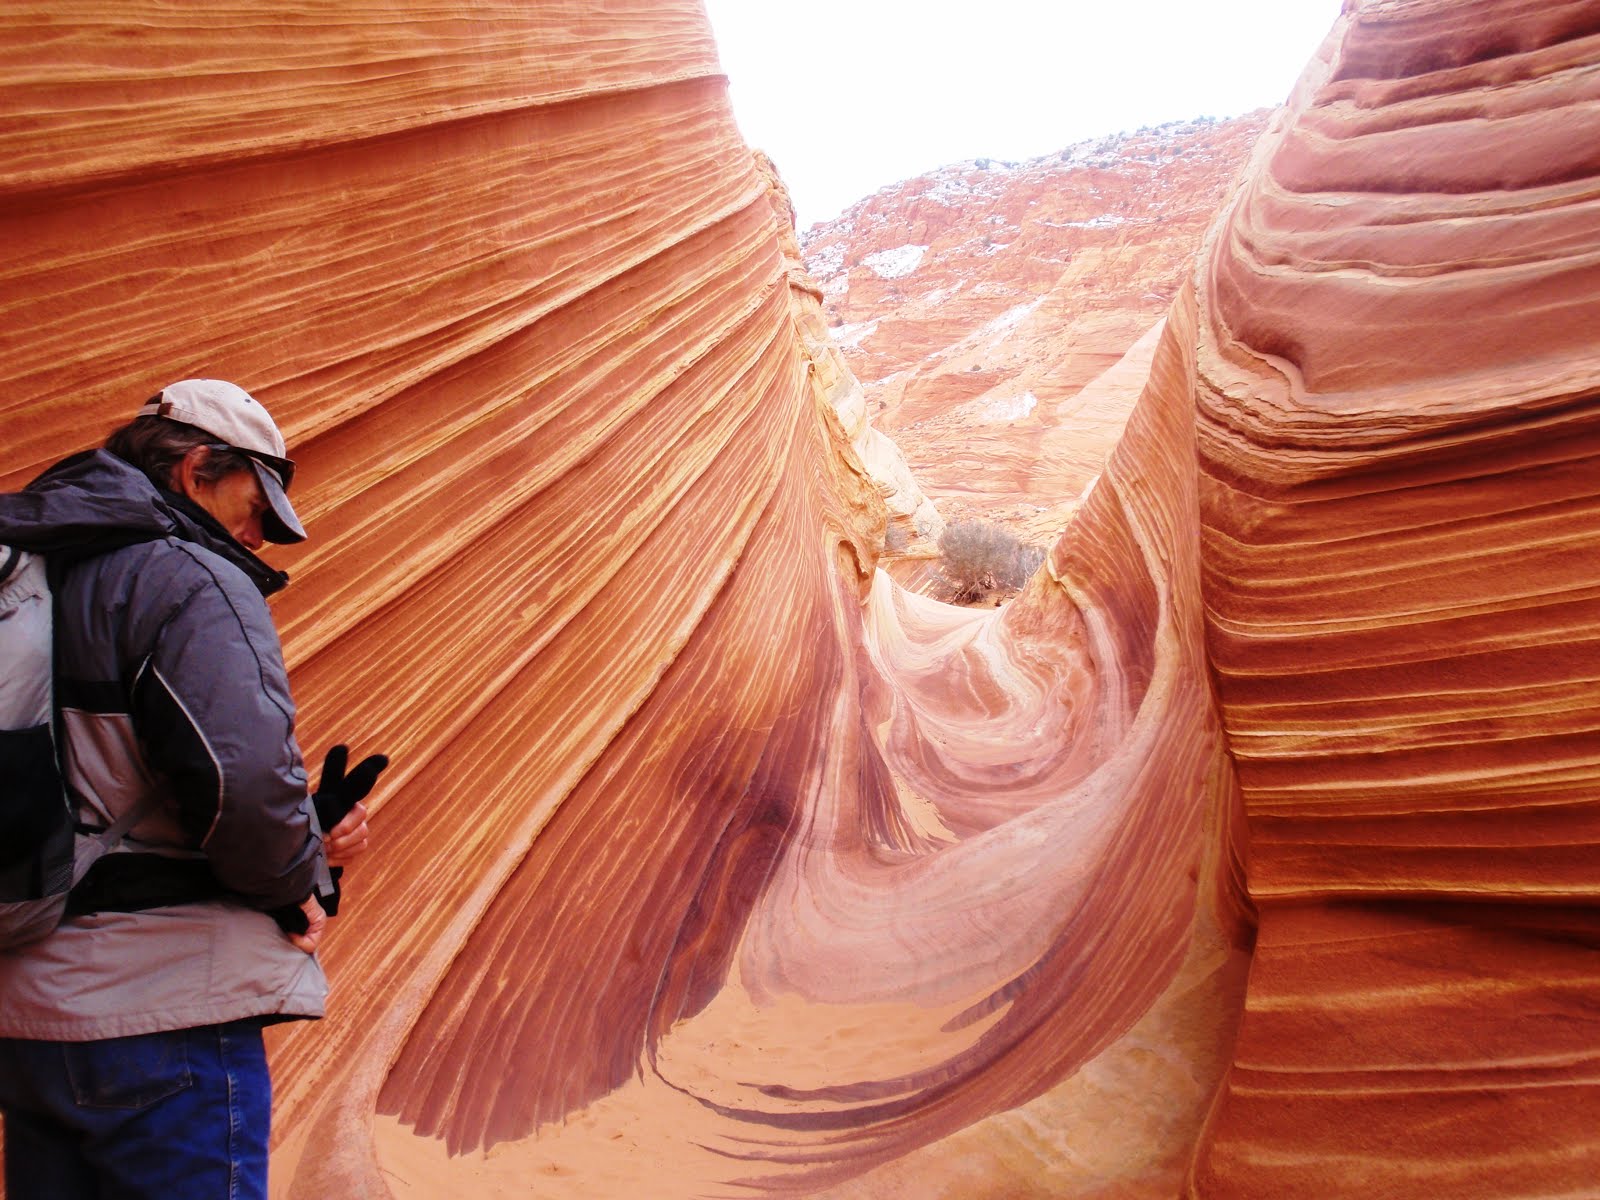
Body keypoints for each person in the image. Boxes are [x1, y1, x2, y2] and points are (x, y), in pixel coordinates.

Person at [0, 378, 383, 1199]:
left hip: (28, 1021)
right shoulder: (185, 578)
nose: (259, 534)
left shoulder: (31, 569)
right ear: (196, 468)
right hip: (162, 1012)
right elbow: (240, 785)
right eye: (257, 503)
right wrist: (300, 873)